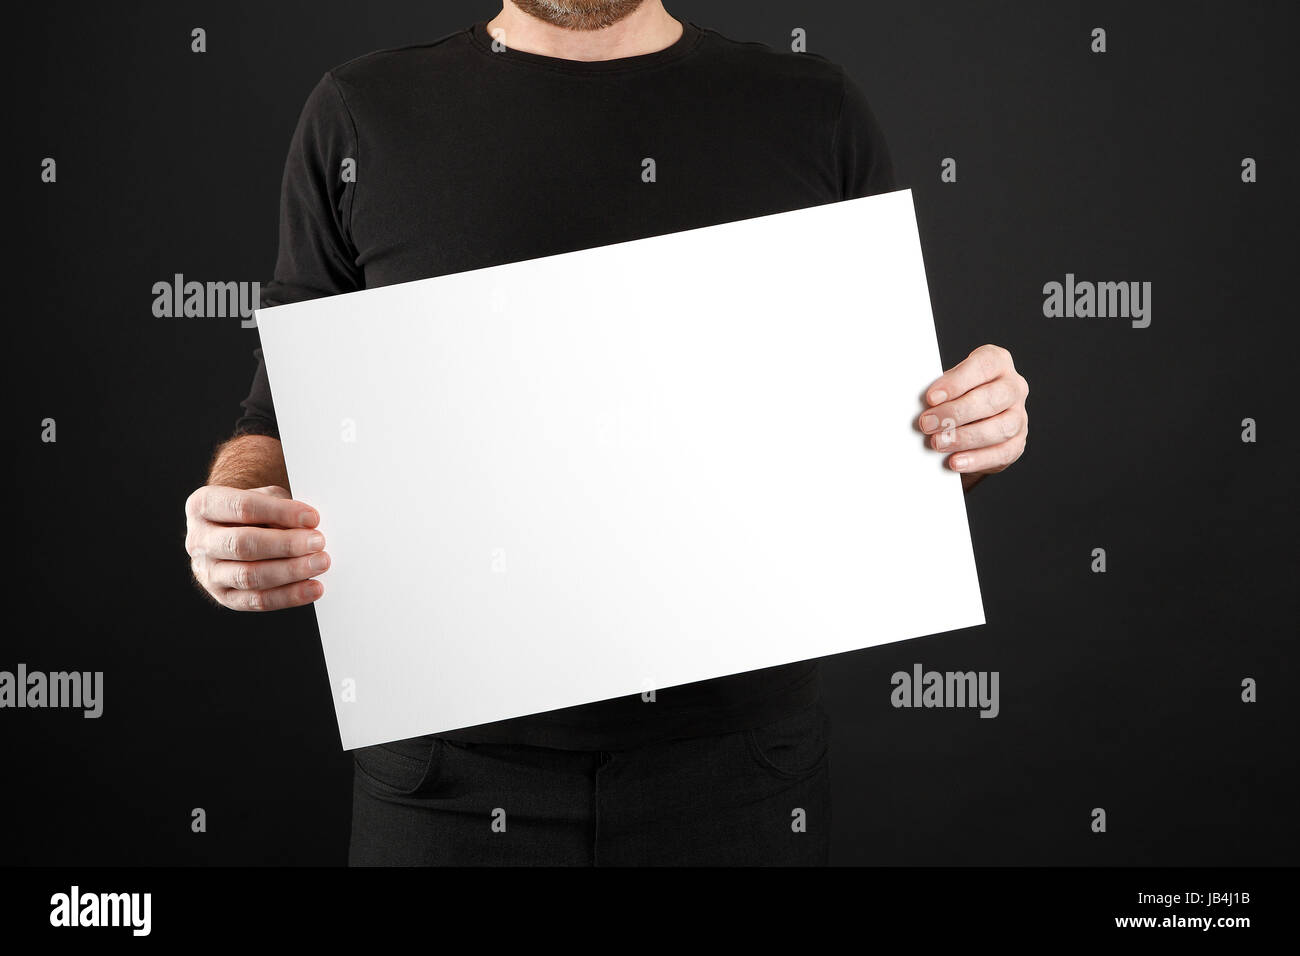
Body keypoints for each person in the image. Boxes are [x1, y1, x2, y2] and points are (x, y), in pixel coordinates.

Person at [184, 0, 1029, 866]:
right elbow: (276, 420)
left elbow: (890, 444)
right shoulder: (361, 111)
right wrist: (242, 504)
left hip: (740, 775)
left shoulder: (814, 109)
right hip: (445, 785)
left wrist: (972, 435)